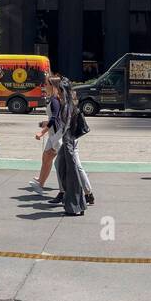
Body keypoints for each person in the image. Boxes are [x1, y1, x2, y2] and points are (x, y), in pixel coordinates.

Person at [51, 79, 95, 207]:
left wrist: (56, 138)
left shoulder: (68, 106)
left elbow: (66, 126)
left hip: (69, 140)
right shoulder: (66, 103)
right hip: (69, 140)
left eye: (59, 91)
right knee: (62, 164)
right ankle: (74, 193)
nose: (57, 93)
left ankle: (85, 193)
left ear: (63, 91)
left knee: (74, 166)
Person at [29, 78, 63, 196]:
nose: (44, 86)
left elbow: (54, 118)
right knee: (46, 158)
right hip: (53, 134)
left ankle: (81, 190)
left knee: (60, 163)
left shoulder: (55, 100)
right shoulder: (53, 99)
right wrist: (45, 123)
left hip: (57, 136)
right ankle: (40, 183)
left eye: (46, 84)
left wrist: (42, 132)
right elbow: (53, 118)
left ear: (53, 86)